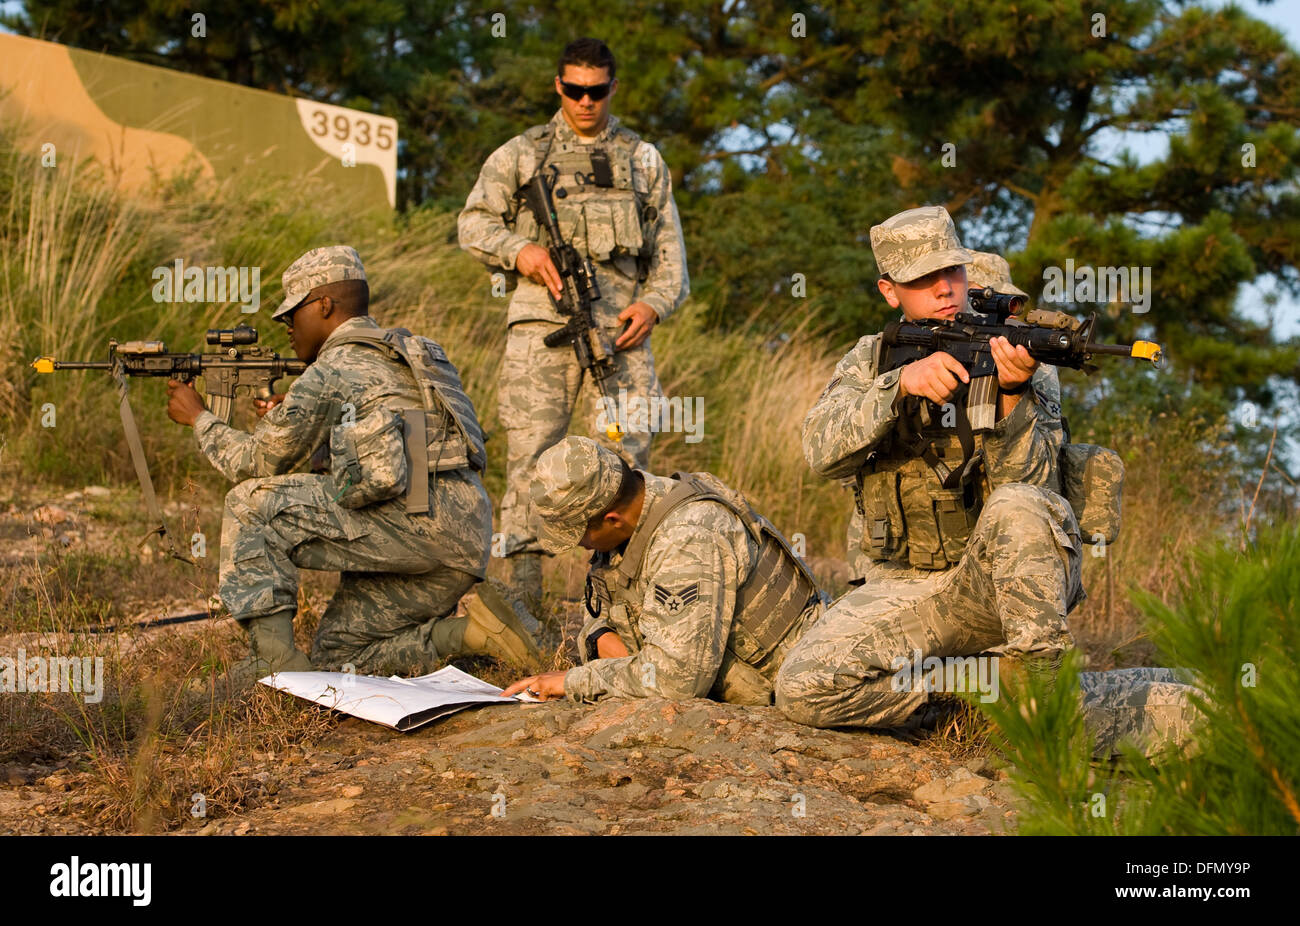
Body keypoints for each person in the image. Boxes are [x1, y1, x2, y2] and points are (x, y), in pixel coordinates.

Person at [775, 208, 1198, 758]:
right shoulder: (872, 357)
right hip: (901, 588)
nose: (944, 289)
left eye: (951, 272)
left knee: (1022, 504)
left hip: (994, 587)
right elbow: (820, 453)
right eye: (922, 280)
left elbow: (1032, 494)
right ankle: (984, 699)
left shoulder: (1025, 358)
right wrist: (899, 387)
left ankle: (1042, 694)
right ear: (889, 290)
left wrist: (1011, 398)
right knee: (802, 689)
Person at [165, 245, 539, 683]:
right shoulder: (418, 353)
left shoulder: (331, 368)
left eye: (292, 313)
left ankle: (271, 662)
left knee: (251, 504)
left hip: (413, 528)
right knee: (340, 655)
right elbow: (401, 441)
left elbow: (255, 462)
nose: (287, 327)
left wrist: (198, 417)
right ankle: (472, 636)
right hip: (464, 539)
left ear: (324, 305)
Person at [458, 37, 689, 614]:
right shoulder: (521, 154)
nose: (585, 101)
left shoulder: (643, 159)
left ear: (613, 88)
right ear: (557, 86)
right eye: (573, 89)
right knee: (532, 455)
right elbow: (472, 224)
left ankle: (616, 600)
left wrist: (654, 305)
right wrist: (520, 252)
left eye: (597, 90)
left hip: (622, 336)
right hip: (543, 328)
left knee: (627, 459)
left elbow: (672, 259)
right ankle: (523, 602)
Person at [501, 436, 822, 705]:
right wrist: (602, 637)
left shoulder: (687, 538)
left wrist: (575, 681)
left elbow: (676, 683)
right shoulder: (632, 505)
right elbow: (598, 610)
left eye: (580, 533)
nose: (580, 545)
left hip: (798, 678)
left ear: (612, 519)